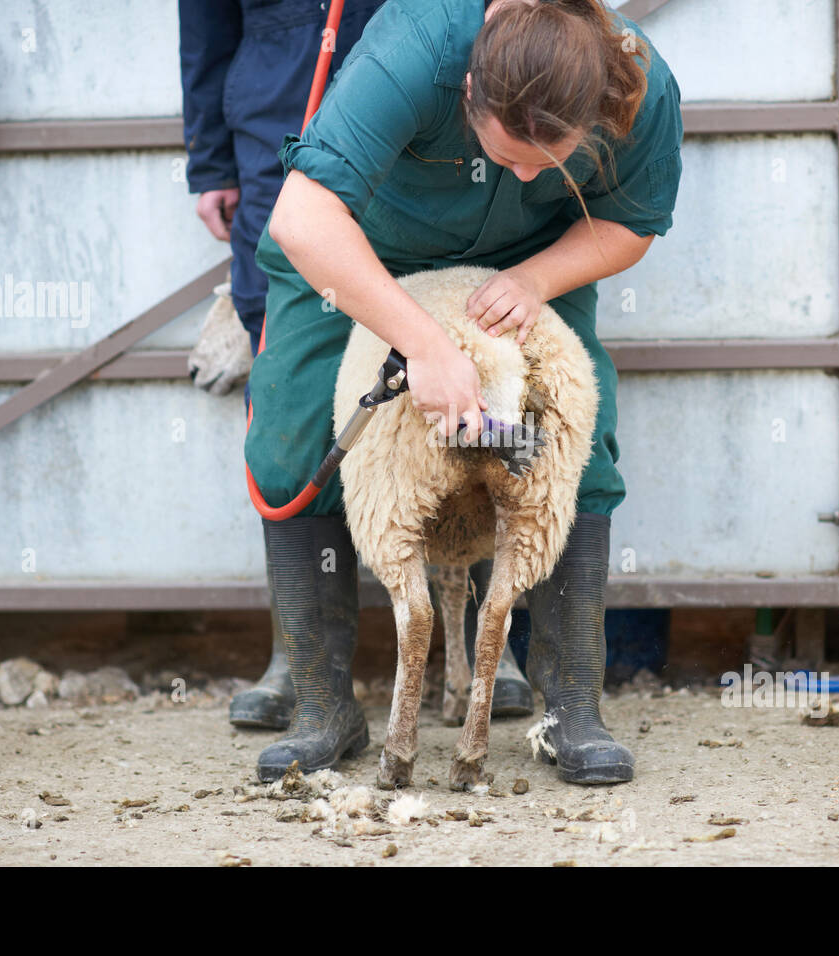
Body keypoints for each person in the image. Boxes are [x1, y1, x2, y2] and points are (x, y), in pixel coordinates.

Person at [247, 0, 683, 785]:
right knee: (294, 432)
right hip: (365, 250)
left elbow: (634, 219)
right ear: (471, 88)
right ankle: (322, 704)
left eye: (545, 163)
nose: (522, 174)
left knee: (575, 436)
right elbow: (304, 218)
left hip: (526, 257)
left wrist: (535, 280)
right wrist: (422, 343)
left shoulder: (635, 82)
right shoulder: (417, 47)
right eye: (508, 153)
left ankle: (571, 708)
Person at [179, 0, 535, 732]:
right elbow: (206, 16)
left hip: (432, 136)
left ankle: (470, 639)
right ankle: (303, 659)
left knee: (466, 362)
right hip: (281, 122)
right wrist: (212, 156)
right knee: (296, 383)